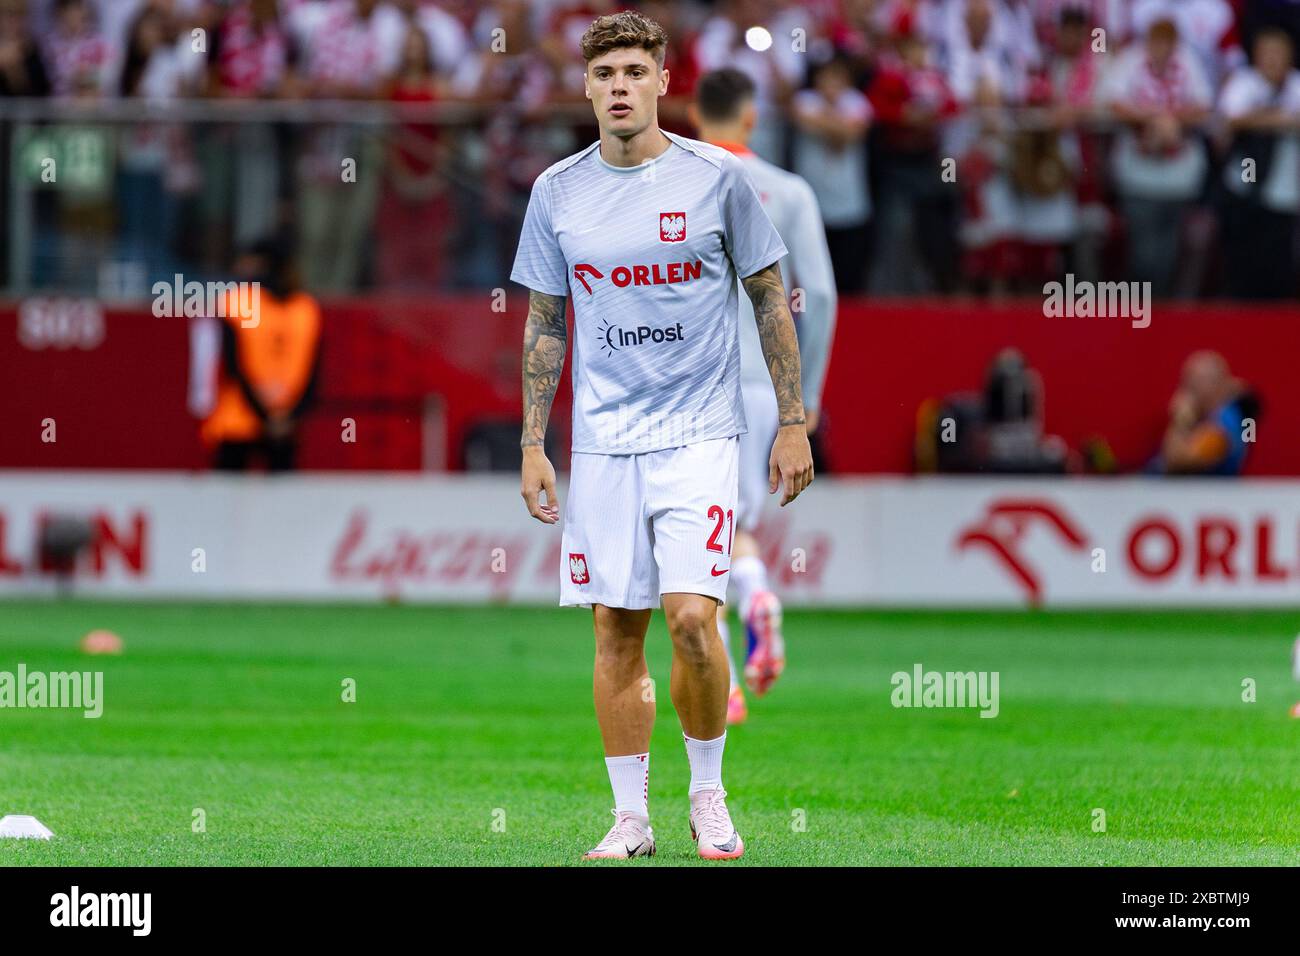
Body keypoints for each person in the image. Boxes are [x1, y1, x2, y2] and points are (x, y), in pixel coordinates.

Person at [511, 11, 813, 861]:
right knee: (616, 629)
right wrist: (533, 442)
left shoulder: (716, 179)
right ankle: (630, 818)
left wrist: (792, 419)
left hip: (701, 434)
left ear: (662, 82)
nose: (619, 88)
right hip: (604, 444)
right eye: (605, 75)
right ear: (585, 86)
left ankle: (709, 796)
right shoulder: (557, 192)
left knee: (689, 620)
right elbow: (544, 323)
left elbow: (769, 298)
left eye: (635, 73)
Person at [689, 66, 837, 725]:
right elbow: (823, 297)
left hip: (688, 382)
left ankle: (719, 674)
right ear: (753, 119)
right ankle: (754, 597)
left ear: (694, 116)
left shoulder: (677, 181)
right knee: (735, 527)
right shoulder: (789, 191)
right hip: (759, 384)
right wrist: (804, 401)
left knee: (689, 533)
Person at [201, 237, 322, 472]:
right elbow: (313, 377)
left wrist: (267, 416)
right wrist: (282, 418)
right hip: (282, 422)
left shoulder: (237, 302)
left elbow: (233, 367)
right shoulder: (306, 309)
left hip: (244, 419)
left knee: (228, 503)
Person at [1150, 350, 1256, 476]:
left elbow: (1175, 461)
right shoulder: (1203, 418)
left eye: (1194, 383)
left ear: (1218, 385)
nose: (1184, 391)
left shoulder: (1223, 425)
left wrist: (1180, 420)